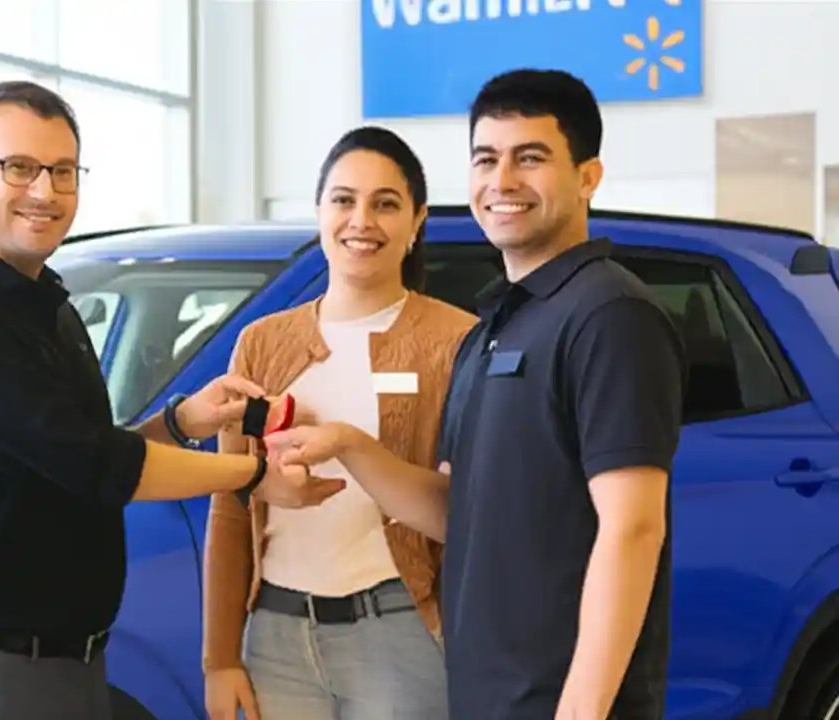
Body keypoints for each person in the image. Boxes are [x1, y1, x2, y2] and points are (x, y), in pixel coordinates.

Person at [0, 80, 345, 720]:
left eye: (63, 171)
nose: (44, 191)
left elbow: (75, 459)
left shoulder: (51, 309)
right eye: (19, 168)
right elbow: (90, 463)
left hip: (69, 663)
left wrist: (181, 422)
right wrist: (255, 474)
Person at [267, 69, 686, 719]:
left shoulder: (608, 314)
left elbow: (633, 525)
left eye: (531, 158)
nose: (503, 181)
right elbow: (453, 509)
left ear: (588, 176)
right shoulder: (493, 327)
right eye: (486, 159)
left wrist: (582, 707)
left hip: (563, 701)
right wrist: (350, 446)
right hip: (487, 694)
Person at [201, 126, 477, 720]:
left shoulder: (456, 342)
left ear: (416, 220)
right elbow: (229, 504)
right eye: (344, 200)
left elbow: (470, 512)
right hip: (275, 638)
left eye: (386, 204)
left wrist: (354, 448)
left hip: (401, 633)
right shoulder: (262, 343)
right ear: (320, 210)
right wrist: (219, 658)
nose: (362, 220)